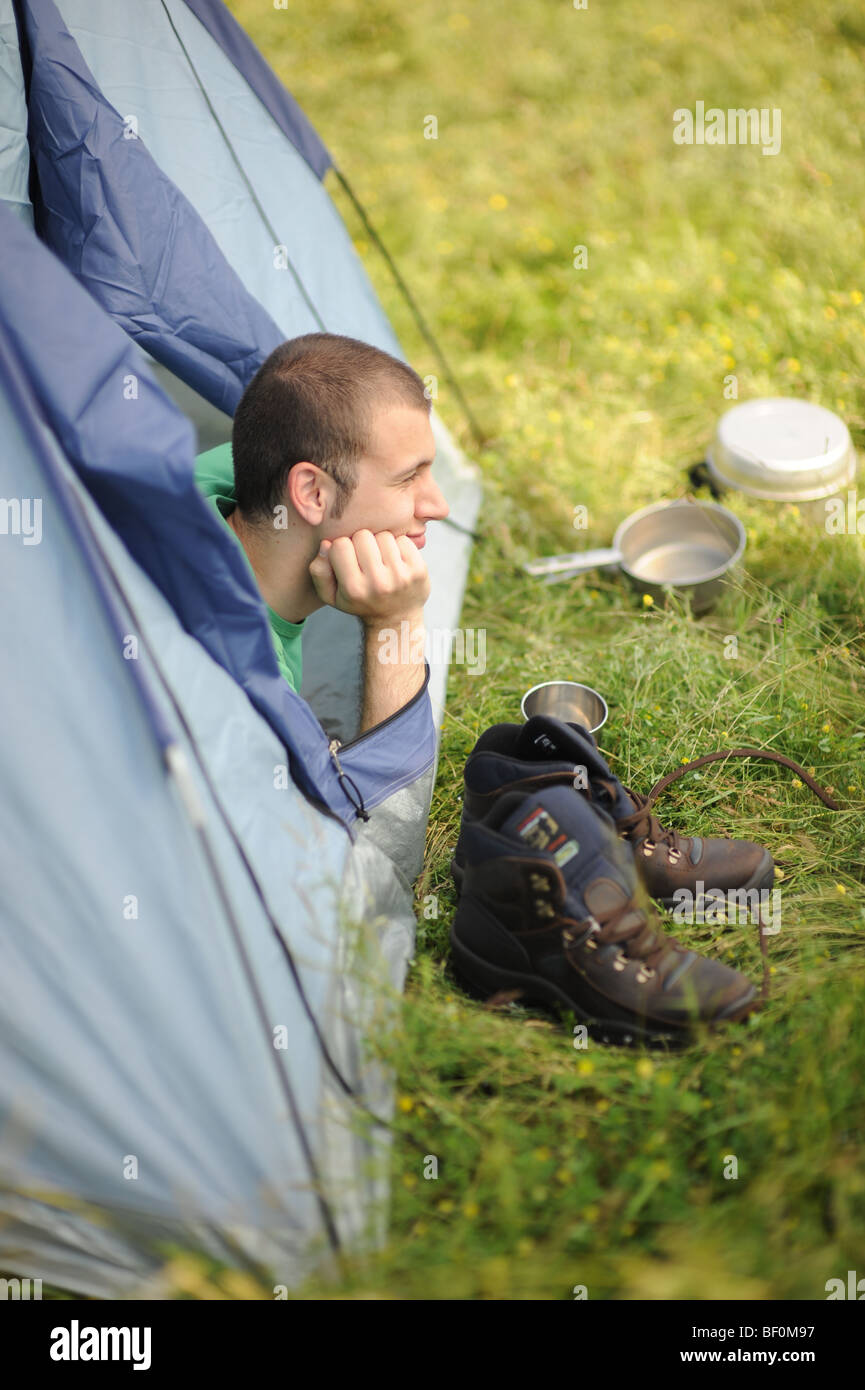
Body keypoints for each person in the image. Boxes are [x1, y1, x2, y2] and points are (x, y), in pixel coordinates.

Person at [195, 332, 449, 732]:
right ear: (313, 493)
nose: (439, 507)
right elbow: (392, 796)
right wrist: (395, 623)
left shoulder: (210, 480)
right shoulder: (243, 689)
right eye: (408, 478)